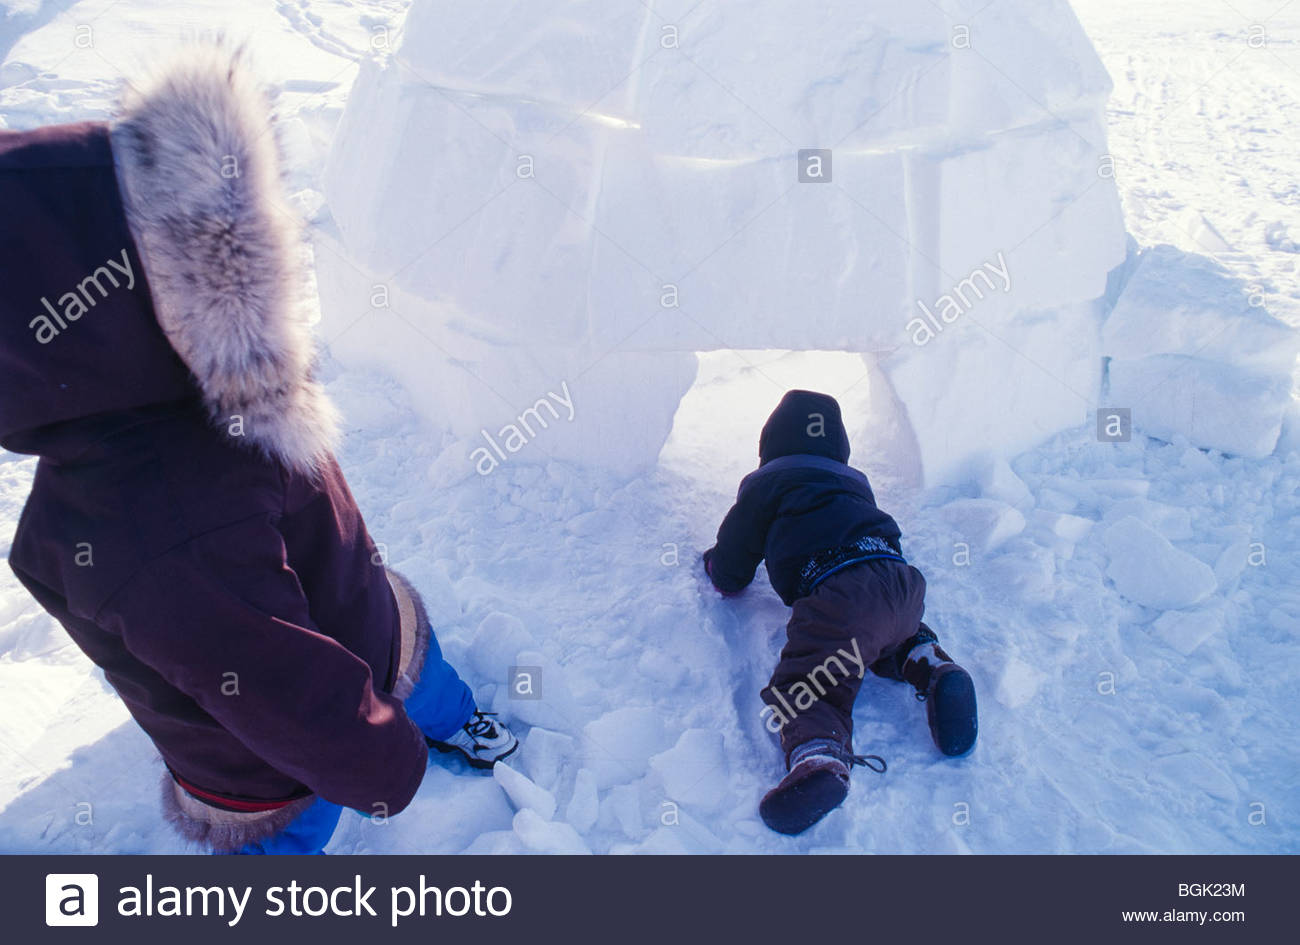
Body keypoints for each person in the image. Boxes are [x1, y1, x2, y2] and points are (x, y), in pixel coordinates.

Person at [0, 47, 515, 855]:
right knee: (291, 834)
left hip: (370, 619)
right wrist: (382, 765)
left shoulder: (226, 389)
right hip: (270, 772)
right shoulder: (155, 522)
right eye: (187, 258)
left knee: (424, 673)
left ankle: (446, 712)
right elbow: (282, 693)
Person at [703, 390, 977, 835]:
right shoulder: (853, 483)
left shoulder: (766, 485)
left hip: (840, 596)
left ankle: (819, 756)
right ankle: (931, 664)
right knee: (890, 633)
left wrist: (717, 566)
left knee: (809, 684)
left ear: (769, 444)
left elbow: (733, 566)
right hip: (901, 582)